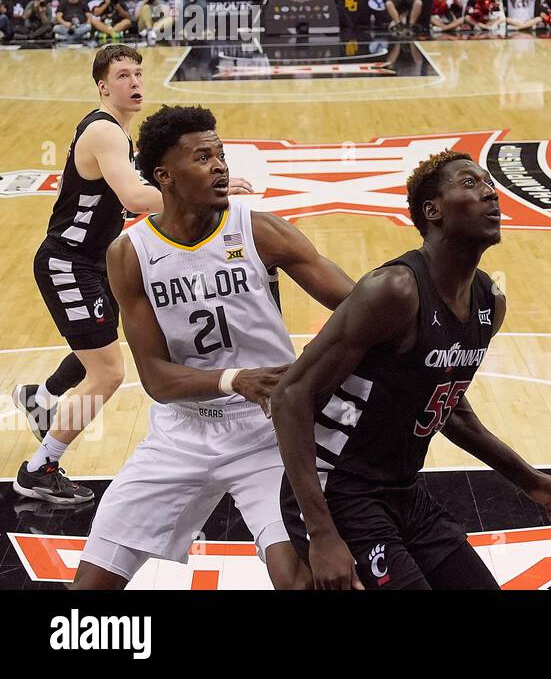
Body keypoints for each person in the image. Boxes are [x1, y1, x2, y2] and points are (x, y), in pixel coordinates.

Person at [272, 149, 551, 589]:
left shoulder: (488, 302)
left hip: (402, 491)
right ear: (433, 210)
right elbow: (290, 396)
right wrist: (321, 534)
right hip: (339, 493)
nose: (490, 195)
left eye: (491, 186)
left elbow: (451, 410)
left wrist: (534, 483)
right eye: (471, 184)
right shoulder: (394, 291)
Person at [72, 106, 354, 589]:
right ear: (165, 176)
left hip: (268, 433)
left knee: (301, 580)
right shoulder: (131, 254)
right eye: (203, 157)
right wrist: (233, 380)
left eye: (221, 154)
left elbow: (357, 310)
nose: (220, 166)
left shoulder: (257, 228)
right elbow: (158, 379)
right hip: (180, 434)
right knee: (91, 589)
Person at [15, 47, 253, 501]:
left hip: (95, 260)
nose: (135, 81)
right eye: (123, 75)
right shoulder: (104, 131)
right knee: (106, 373)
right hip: (69, 262)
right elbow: (135, 197)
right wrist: (206, 197)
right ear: (103, 86)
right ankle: (39, 468)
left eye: (139, 73)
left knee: (103, 344)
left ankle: (41, 396)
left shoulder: (117, 131)